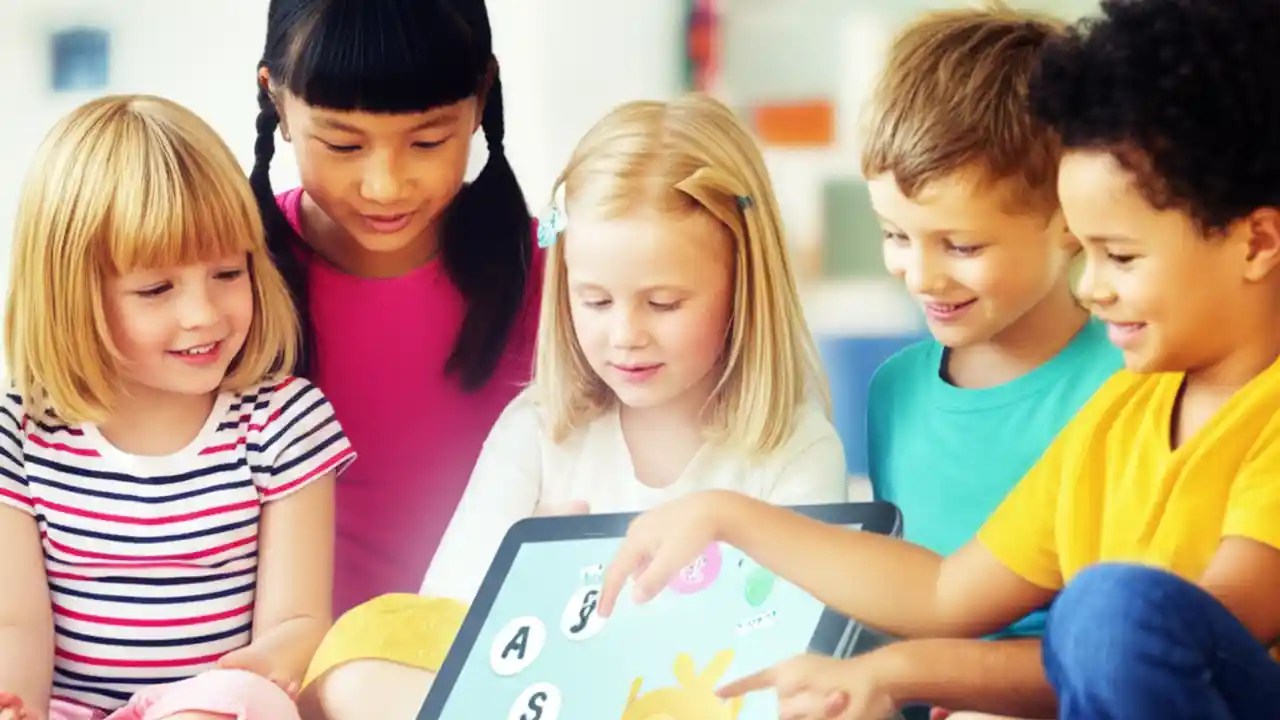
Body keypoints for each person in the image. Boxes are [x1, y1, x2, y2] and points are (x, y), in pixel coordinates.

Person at [597, 0, 1280, 717]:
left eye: (1121, 257)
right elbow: (945, 592)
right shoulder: (1117, 419)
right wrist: (730, 517)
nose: (1092, 286)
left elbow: (1195, 631)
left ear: (1258, 244)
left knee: (1103, 608)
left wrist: (931, 676)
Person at [300, 92, 849, 720]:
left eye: (663, 303)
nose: (626, 335)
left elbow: (795, 653)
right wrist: (526, 574)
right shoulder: (538, 429)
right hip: (529, 701)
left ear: (743, 287)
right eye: (595, 301)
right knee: (356, 672)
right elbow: (441, 619)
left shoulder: (795, 449)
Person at [0, 95, 354, 720]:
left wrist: (239, 679)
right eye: (156, 288)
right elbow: (15, 625)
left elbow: (297, 621)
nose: (203, 314)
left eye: (228, 273)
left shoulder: (281, 421)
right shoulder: (20, 434)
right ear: (71, 296)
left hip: (216, 703)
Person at [250, 0, 542, 617]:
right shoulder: (225, 282)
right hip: (289, 670)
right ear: (276, 102)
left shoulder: (570, 282)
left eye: (428, 140)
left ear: (482, 98)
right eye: (342, 144)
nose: (384, 185)